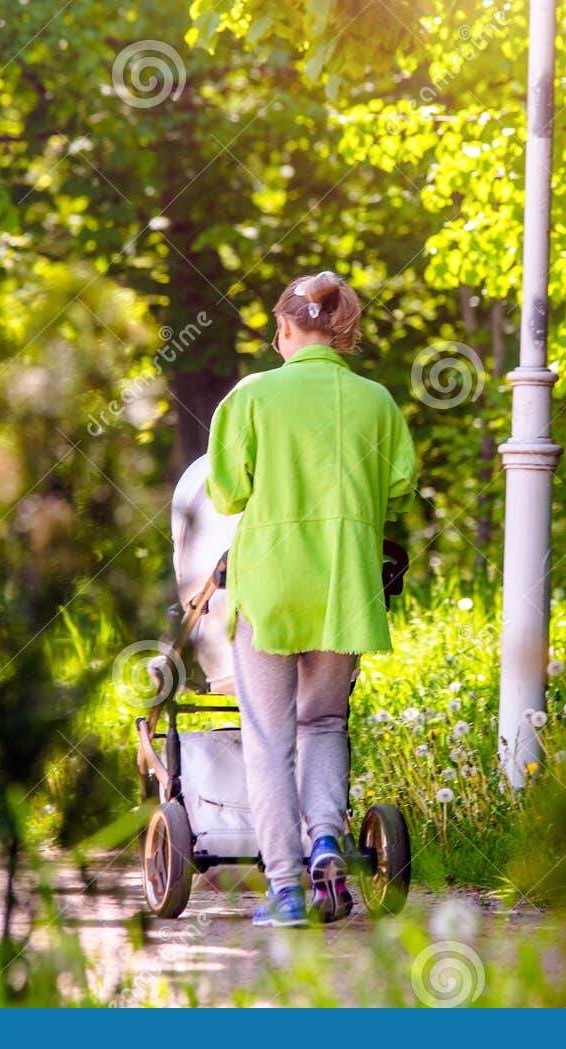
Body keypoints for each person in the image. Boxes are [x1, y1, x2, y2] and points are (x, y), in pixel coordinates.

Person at [205, 271, 415, 927]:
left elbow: (226, 493)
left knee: (268, 739)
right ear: (344, 327)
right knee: (323, 723)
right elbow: (400, 489)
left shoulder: (255, 395)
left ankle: (286, 889)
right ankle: (326, 846)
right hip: (344, 587)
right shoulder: (377, 401)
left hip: (269, 585)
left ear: (288, 326)